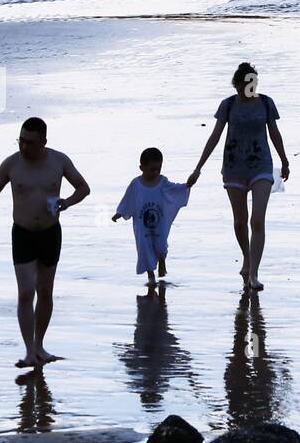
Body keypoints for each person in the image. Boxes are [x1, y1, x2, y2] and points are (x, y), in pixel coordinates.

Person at [0, 117, 91, 368]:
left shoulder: (59, 161)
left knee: (45, 292)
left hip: (50, 233)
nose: (24, 146)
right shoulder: (11, 164)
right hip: (22, 234)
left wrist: (67, 202)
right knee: (25, 293)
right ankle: (29, 351)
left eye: (30, 142)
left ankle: (39, 345)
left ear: (43, 141)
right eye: (21, 141)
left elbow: (83, 188)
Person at [188, 62, 289, 291]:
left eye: (251, 83)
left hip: (261, 166)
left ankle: (253, 274)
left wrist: (284, 161)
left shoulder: (265, 103)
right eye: (242, 84)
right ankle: (247, 259)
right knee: (240, 221)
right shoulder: (228, 105)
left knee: (257, 221)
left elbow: (274, 133)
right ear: (236, 84)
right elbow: (214, 137)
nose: (247, 88)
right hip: (233, 167)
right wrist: (198, 168)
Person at [113, 148, 191, 287]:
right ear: (141, 168)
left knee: (160, 245)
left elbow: (174, 190)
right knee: (144, 249)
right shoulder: (136, 185)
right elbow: (128, 200)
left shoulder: (163, 182)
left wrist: (186, 186)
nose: (155, 172)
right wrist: (119, 213)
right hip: (141, 227)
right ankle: (151, 276)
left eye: (158, 169)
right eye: (152, 169)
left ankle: (162, 260)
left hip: (159, 224)